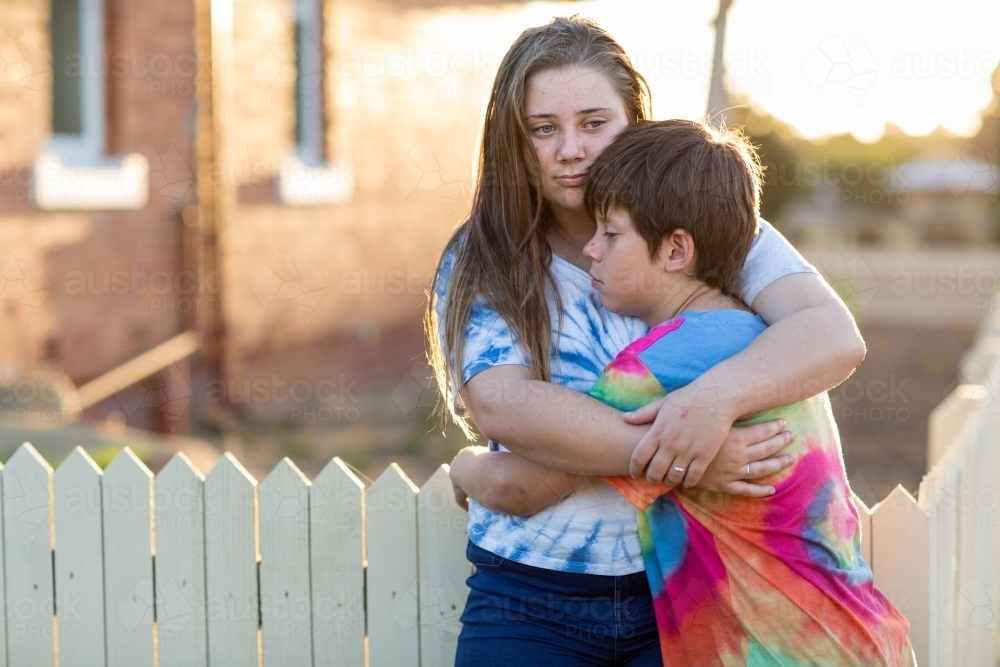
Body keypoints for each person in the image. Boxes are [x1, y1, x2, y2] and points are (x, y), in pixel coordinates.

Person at [427, 16, 867, 666]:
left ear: (635, 119)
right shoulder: (485, 256)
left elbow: (830, 336)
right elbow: (503, 406)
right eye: (543, 129)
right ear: (514, 144)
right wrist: (684, 455)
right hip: (528, 596)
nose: (570, 148)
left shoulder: (708, 224)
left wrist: (713, 400)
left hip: (692, 589)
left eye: (594, 122)